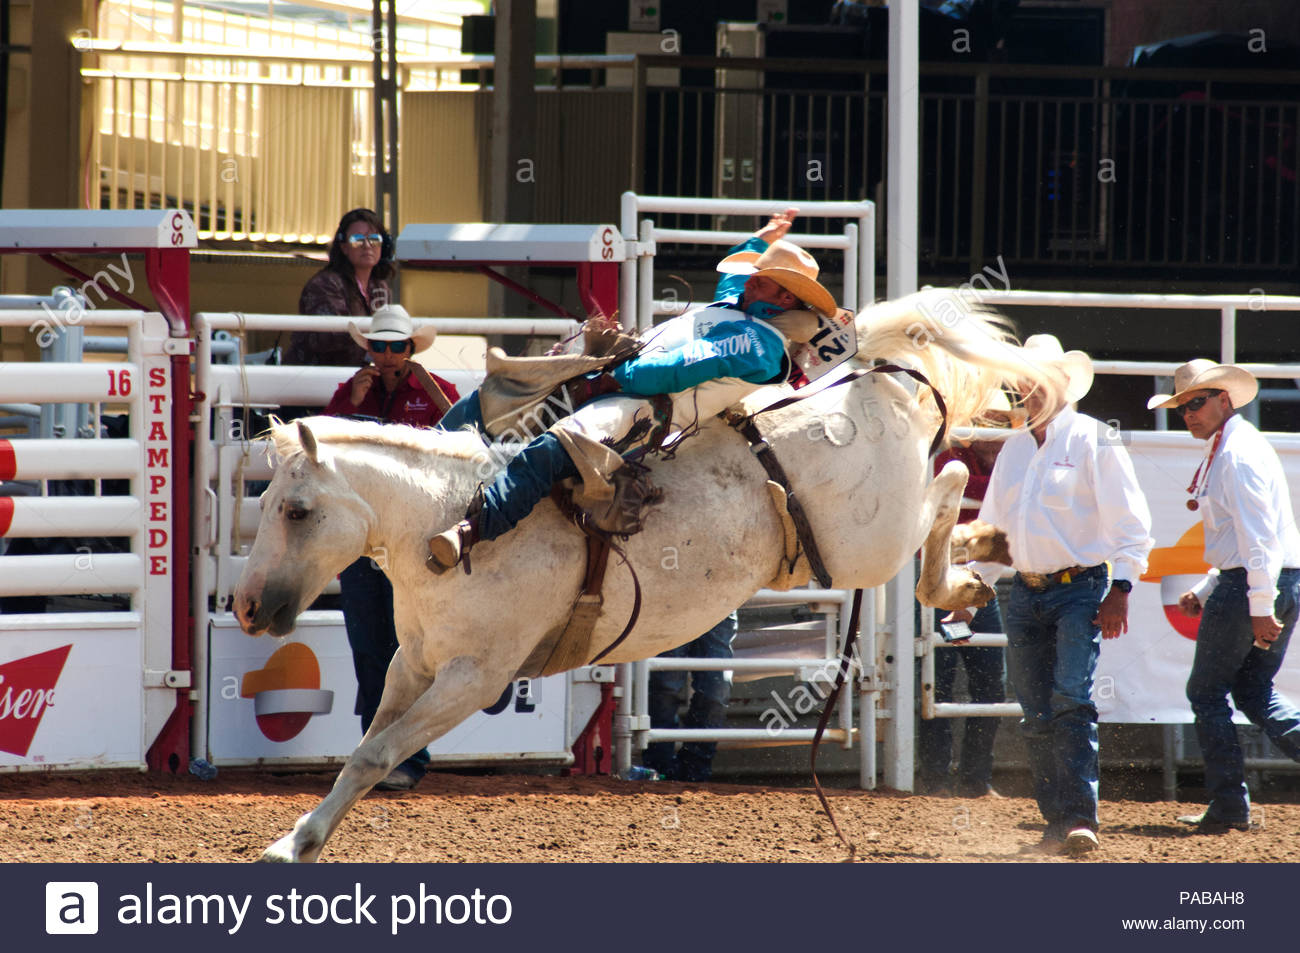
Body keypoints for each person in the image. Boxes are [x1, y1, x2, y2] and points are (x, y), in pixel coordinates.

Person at [427, 208, 838, 573]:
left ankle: (474, 530)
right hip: (623, 377)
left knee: (554, 448)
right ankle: (424, 462)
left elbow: (683, 367)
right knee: (498, 396)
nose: (750, 283)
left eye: (762, 283)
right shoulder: (741, 304)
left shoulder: (760, 346)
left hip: (645, 407)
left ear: (786, 297)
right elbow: (734, 275)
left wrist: (615, 377)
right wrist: (764, 238)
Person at [972, 334, 1153, 855]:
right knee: (1036, 710)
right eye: (1023, 384)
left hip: (1080, 587)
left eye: (1036, 383)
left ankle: (1076, 817)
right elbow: (994, 529)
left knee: (1068, 699)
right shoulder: (1015, 447)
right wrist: (975, 587)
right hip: (1025, 594)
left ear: (1060, 385)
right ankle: (1057, 818)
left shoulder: (1095, 438)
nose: (1028, 393)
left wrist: (1120, 587)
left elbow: (1132, 526)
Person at [1149, 361, 1300, 833]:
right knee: (1253, 691)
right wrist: (1210, 585)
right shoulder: (1233, 448)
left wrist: (1258, 606)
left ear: (1223, 400)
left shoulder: (1235, 455)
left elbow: (1257, 541)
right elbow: (1248, 539)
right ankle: (1230, 806)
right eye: (1182, 407)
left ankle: (1230, 808)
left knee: (1207, 691)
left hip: (1257, 583)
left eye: (1196, 403)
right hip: (1268, 580)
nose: (1189, 414)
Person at [324, 304, 460, 791]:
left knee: (411, 651)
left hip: (410, 543)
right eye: (377, 346)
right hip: (367, 545)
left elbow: (465, 442)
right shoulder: (351, 391)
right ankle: (379, 753)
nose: (384, 355)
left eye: (394, 346)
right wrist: (350, 404)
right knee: (371, 649)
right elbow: (326, 456)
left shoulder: (436, 391)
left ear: (409, 348)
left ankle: (400, 754)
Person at [919, 432, 1007, 798]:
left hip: (975, 589)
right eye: (990, 426)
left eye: (1002, 426)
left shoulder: (959, 460)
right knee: (936, 681)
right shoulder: (952, 460)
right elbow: (1007, 499)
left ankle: (973, 779)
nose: (993, 437)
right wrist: (1003, 493)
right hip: (946, 584)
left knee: (987, 685)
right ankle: (940, 778)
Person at [284, 207, 393, 367]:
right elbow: (329, 337)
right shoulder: (325, 284)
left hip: (355, 375)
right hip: (316, 376)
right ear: (344, 247)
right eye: (358, 239)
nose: (367, 245)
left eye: (375, 239)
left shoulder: (380, 287)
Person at [642, 613, 738, 782]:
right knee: (665, 687)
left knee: (716, 689)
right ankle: (661, 769)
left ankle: (694, 769)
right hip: (679, 602)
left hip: (719, 602)